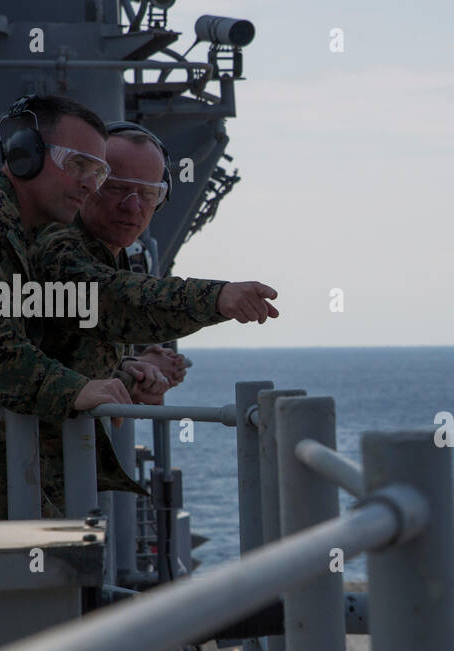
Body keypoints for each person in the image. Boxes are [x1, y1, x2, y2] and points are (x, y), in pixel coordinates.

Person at [28, 121, 279, 512]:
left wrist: (132, 370)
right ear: (85, 183)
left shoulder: (106, 249)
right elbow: (107, 301)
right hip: (28, 480)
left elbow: (70, 355)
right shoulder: (59, 246)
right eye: (115, 189)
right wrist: (218, 297)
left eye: (147, 194)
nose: (133, 207)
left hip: (57, 475)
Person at [0, 94, 134, 521]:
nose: (89, 184)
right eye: (79, 164)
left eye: (98, 172)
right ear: (24, 154)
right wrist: (74, 389)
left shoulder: (24, 230)